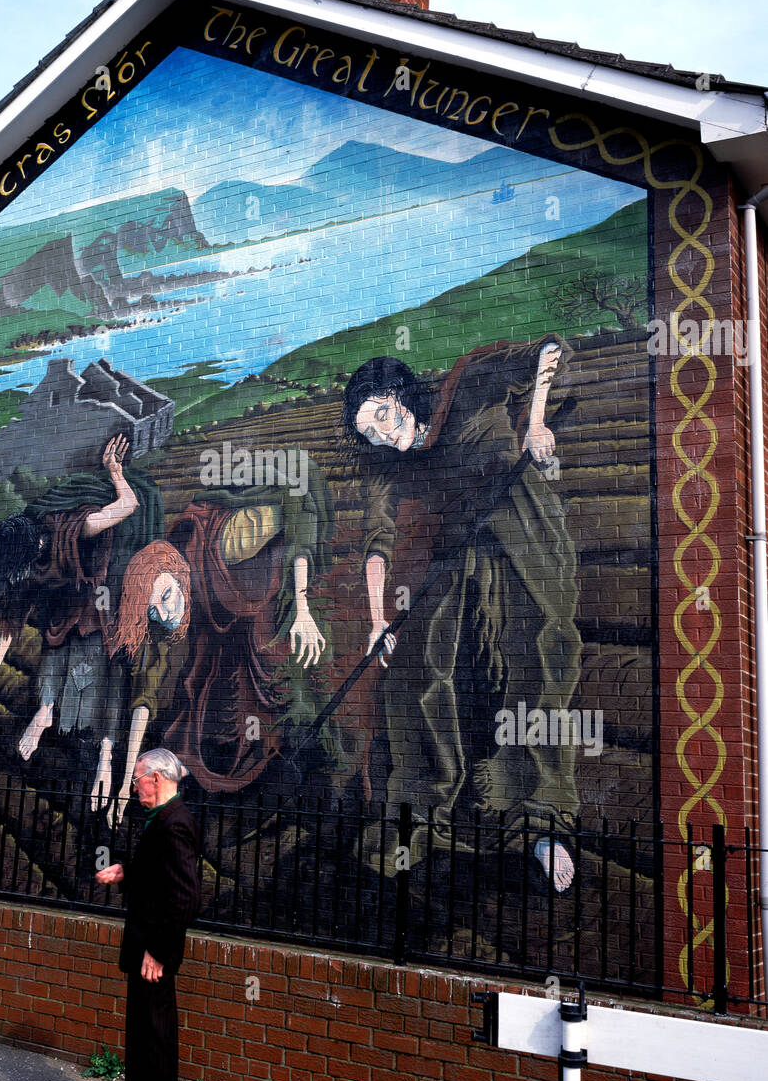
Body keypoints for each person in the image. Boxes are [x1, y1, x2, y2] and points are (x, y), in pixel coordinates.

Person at [342, 336, 581, 891]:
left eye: (381, 414)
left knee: (539, 659)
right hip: (464, 551)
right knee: (418, 673)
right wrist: (378, 621)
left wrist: (534, 424)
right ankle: (417, 816)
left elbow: (549, 351)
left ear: (401, 397)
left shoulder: (467, 385)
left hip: (526, 534)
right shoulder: (391, 468)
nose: (381, 433)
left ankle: (541, 823)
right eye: (369, 431)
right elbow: (376, 543)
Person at [104, 459, 335, 818]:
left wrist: (302, 607)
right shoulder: (167, 601)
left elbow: (295, 510)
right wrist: (123, 780)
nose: (166, 615)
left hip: (259, 597)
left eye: (165, 601)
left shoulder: (229, 541)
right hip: (220, 637)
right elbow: (147, 685)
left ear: (176, 573)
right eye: (154, 613)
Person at [0, 435, 163, 807]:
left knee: (106, 659)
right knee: (55, 639)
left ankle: (106, 756)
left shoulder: (71, 528)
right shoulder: (24, 565)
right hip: (69, 591)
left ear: (36, 548)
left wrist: (114, 470)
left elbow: (129, 504)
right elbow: (9, 630)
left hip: (104, 572)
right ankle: (47, 709)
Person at [95, 748, 202, 1081]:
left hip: (153, 957)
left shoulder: (175, 823)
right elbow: (159, 877)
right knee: (143, 1044)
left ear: (156, 778)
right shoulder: (161, 819)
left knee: (152, 1046)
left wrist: (158, 951)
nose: (134, 788)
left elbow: (185, 896)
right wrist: (127, 870)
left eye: (137, 779)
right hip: (146, 951)